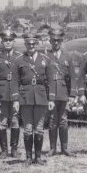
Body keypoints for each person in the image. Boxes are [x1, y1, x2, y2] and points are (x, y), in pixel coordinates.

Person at [14, 33, 57, 164]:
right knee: (27, 128)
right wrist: (15, 100)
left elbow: (51, 80)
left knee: (39, 128)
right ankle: (28, 157)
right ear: (25, 45)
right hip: (26, 96)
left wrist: (51, 99)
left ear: (36, 45)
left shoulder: (45, 59)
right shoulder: (19, 60)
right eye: (28, 44)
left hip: (41, 96)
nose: (31, 46)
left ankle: (37, 157)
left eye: (33, 44)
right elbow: (15, 81)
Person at [44, 29, 81, 157]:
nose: (56, 43)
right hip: (51, 93)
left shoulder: (68, 56)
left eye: (58, 40)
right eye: (53, 40)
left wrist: (72, 95)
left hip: (64, 93)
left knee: (63, 121)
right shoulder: (46, 56)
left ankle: (65, 148)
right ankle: (53, 148)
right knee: (52, 120)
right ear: (50, 41)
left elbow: (73, 77)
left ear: (62, 41)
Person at [0, 30, 21, 157]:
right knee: (2, 122)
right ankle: (4, 150)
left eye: (10, 40)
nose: (7, 42)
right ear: (2, 42)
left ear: (13, 41)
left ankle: (14, 149)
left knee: (15, 121)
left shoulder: (19, 57)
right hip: (1, 95)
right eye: (5, 40)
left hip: (15, 94)